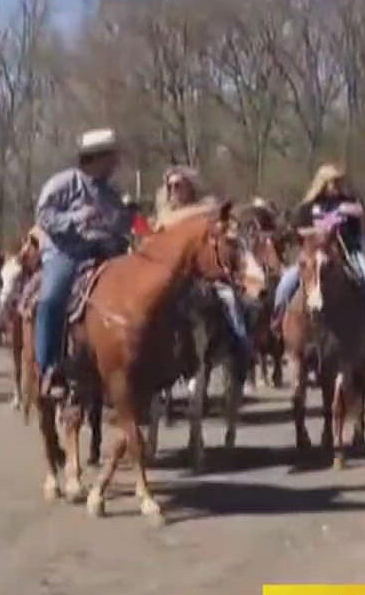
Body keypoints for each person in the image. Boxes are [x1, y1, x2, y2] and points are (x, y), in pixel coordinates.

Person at [272, 164, 365, 350]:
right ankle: (277, 323)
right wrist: (319, 229)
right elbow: (297, 230)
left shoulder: (349, 202)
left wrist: (361, 213)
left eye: (340, 182)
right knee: (286, 282)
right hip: (312, 255)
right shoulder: (308, 207)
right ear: (324, 183)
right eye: (334, 182)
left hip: (347, 252)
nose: (338, 186)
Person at [31, 128, 133, 396]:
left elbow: (120, 224)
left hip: (103, 252)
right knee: (52, 298)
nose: (115, 164)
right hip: (66, 252)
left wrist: (127, 222)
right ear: (95, 158)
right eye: (111, 158)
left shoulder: (111, 194)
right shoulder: (64, 183)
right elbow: (44, 216)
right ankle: (49, 368)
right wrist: (76, 218)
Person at [154, 166, 250, 351]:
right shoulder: (163, 220)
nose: (174, 190)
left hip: (203, 275)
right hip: (171, 278)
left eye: (178, 185)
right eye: (170, 186)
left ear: (190, 187)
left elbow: (224, 235)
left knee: (229, 298)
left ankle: (242, 347)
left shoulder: (206, 212)